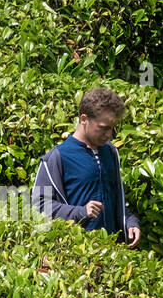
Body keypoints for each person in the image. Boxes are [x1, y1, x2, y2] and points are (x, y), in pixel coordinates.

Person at [32, 87, 141, 246]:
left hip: (113, 256)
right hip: (75, 256)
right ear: (84, 119)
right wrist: (80, 212)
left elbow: (114, 199)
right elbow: (39, 206)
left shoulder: (110, 152)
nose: (109, 134)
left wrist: (130, 221)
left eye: (112, 128)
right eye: (103, 127)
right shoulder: (56, 158)